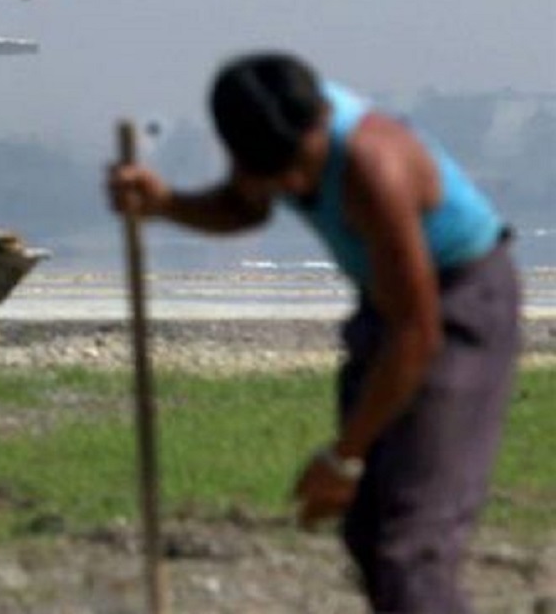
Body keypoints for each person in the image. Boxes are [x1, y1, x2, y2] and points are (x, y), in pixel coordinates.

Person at [107, 51, 520, 613]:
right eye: (274, 173)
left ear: (318, 123)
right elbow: (244, 208)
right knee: (368, 531)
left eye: (298, 165)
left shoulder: (374, 167)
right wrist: (165, 205)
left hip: (456, 307)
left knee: (411, 545)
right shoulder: (270, 127)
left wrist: (344, 458)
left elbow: (417, 334)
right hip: (386, 305)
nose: (295, 184)